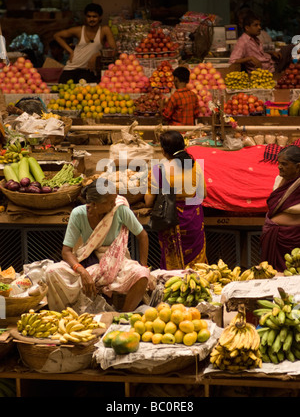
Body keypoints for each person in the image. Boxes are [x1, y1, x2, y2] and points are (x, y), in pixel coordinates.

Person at [45, 178, 150, 312]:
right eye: (110, 202)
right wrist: (82, 271)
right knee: (52, 272)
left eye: (114, 200)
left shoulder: (120, 210)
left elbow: (143, 236)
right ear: (94, 204)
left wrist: (144, 265)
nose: (114, 204)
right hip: (87, 260)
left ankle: (123, 315)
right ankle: (66, 314)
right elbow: (66, 251)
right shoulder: (78, 214)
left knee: (142, 274)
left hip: (116, 262)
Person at [144, 131, 207, 270]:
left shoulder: (158, 169)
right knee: (197, 266)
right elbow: (203, 195)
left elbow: (148, 202)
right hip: (193, 220)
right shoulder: (195, 166)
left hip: (170, 219)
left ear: (164, 150)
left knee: (173, 266)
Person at [54, 3, 117, 84]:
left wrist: (98, 54)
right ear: (85, 17)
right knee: (61, 91)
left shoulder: (104, 30)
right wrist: (70, 51)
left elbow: (114, 50)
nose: (91, 19)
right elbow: (57, 36)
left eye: (94, 16)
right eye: (89, 16)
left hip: (88, 70)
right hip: (71, 68)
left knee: (85, 92)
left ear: (100, 17)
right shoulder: (79, 30)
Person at [260, 145, 300, 272]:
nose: (279, 167)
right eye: (279, 163)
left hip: (293, 239)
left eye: (284, 164)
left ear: (298, 166)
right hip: (274, 236)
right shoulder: (279, 180)